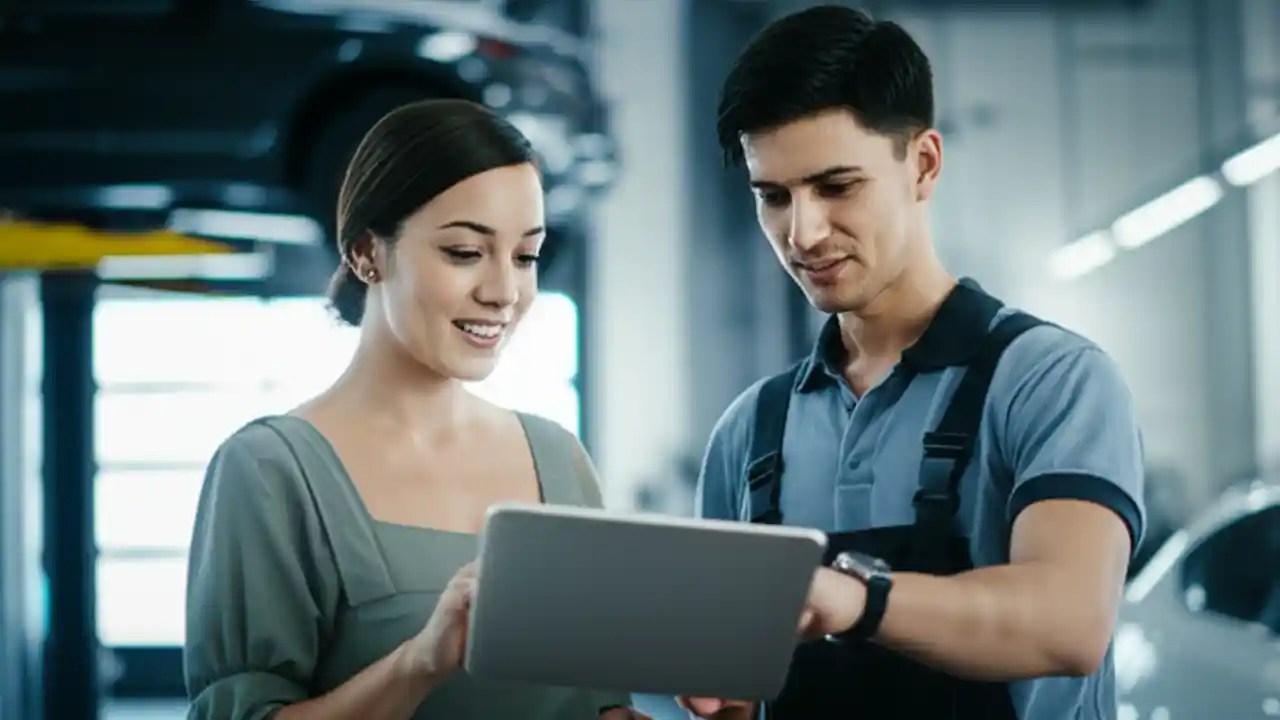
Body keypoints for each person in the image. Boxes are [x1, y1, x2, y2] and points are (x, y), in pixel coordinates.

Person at [678, 6, 1144, 720]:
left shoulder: (1052, 383)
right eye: (773, 196)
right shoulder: (748, 433)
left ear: (922, 163)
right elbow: (733, 685)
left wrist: (853, 600)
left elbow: (1068, 625)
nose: (802, 232)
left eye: (837, 186)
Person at [183, 98, 648, 720]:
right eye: (464, 252)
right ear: (367, 253)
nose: (504, 292)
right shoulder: (270, 469)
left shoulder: (558, 457)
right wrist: (418, 663)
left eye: (525, 256)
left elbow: (595, 705)